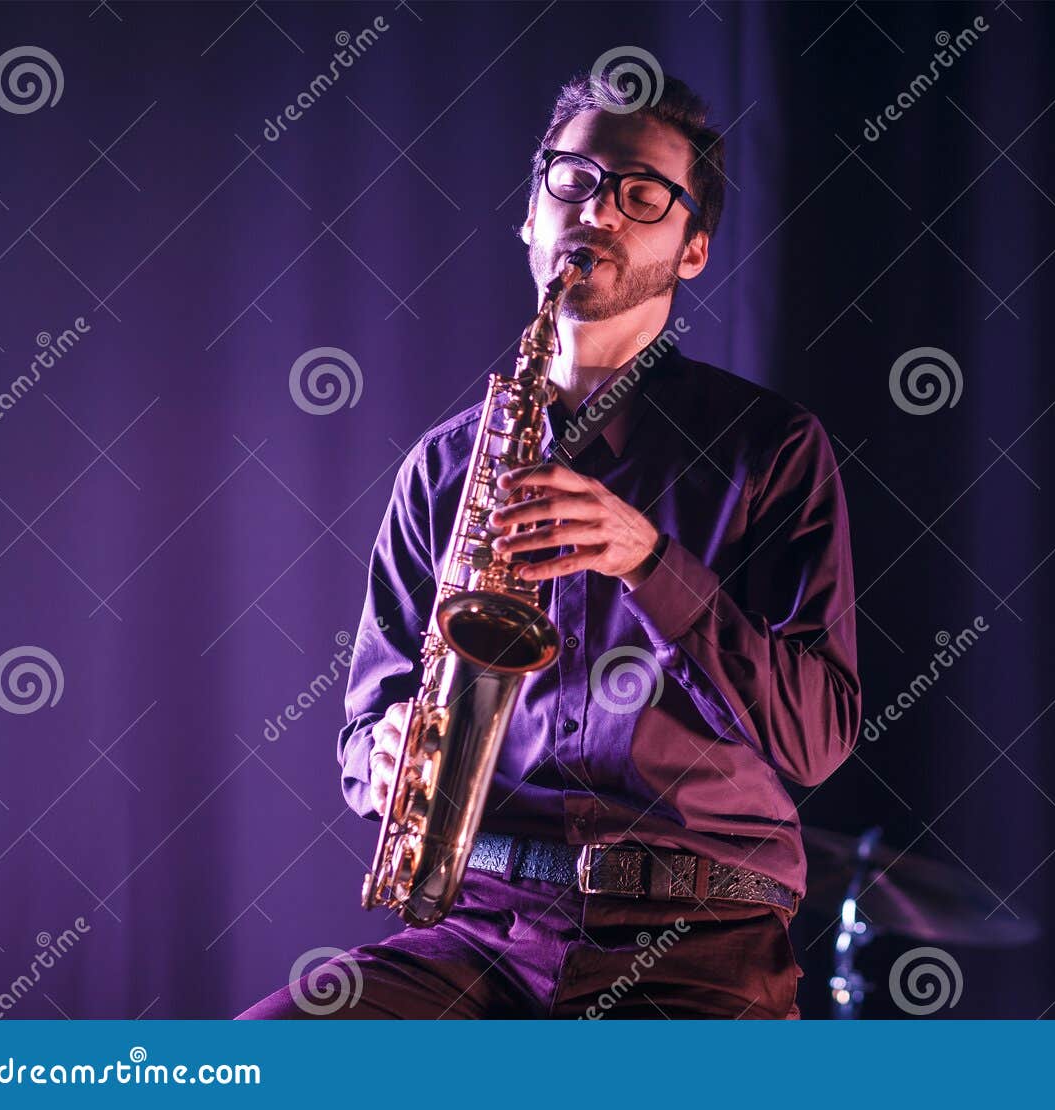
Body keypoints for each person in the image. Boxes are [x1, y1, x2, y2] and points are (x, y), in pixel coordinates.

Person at [238, 71, 860, 1019]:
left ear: (692, 250)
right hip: (481, 924)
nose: (597, 210)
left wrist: (647, 564)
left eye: (641, 194)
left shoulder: (773, 448)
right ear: (530, 217)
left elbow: (814, 739)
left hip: (699, 940)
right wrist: (392, 753)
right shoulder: (446, 469)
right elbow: (364, 731)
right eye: (570, 181)